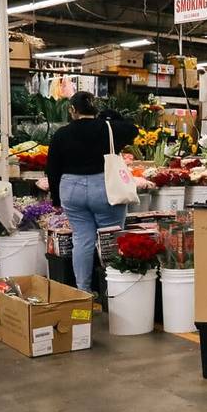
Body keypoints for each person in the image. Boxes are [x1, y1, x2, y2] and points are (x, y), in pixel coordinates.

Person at [45, 91, 139, 291]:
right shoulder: (109, 128)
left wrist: (56, 199)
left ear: (72, 110)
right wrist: (110, 116)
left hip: (71, 190)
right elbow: (132, 129)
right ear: (95, 110)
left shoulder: (61, 134)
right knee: (110, 239)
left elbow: (52, 169)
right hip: (104, 188)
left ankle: (83, 290)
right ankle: (112, 289)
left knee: (82, 239)